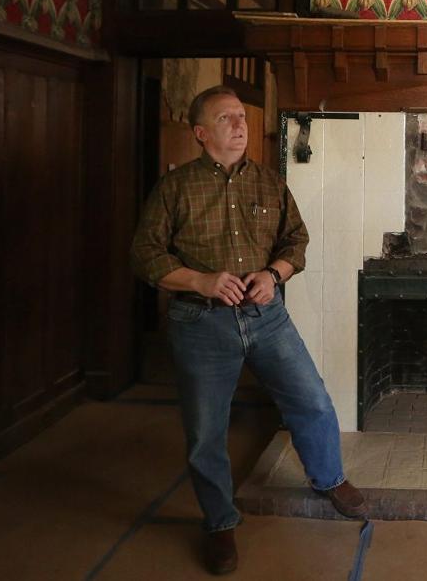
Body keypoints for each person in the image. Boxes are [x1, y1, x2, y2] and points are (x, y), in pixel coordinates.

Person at [131, 85, 365, 575]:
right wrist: (201, 279)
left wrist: (273, 273)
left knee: (312, 400)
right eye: (225, 119)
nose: (239, 126)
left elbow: (295, 239)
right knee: (205, 432)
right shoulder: (174, 189)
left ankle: (328, 478)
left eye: (241, 117)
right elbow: (145, 255)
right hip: (199, 323)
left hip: (267, 316)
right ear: (200, 133)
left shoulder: (269, 183)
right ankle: (219, 523)